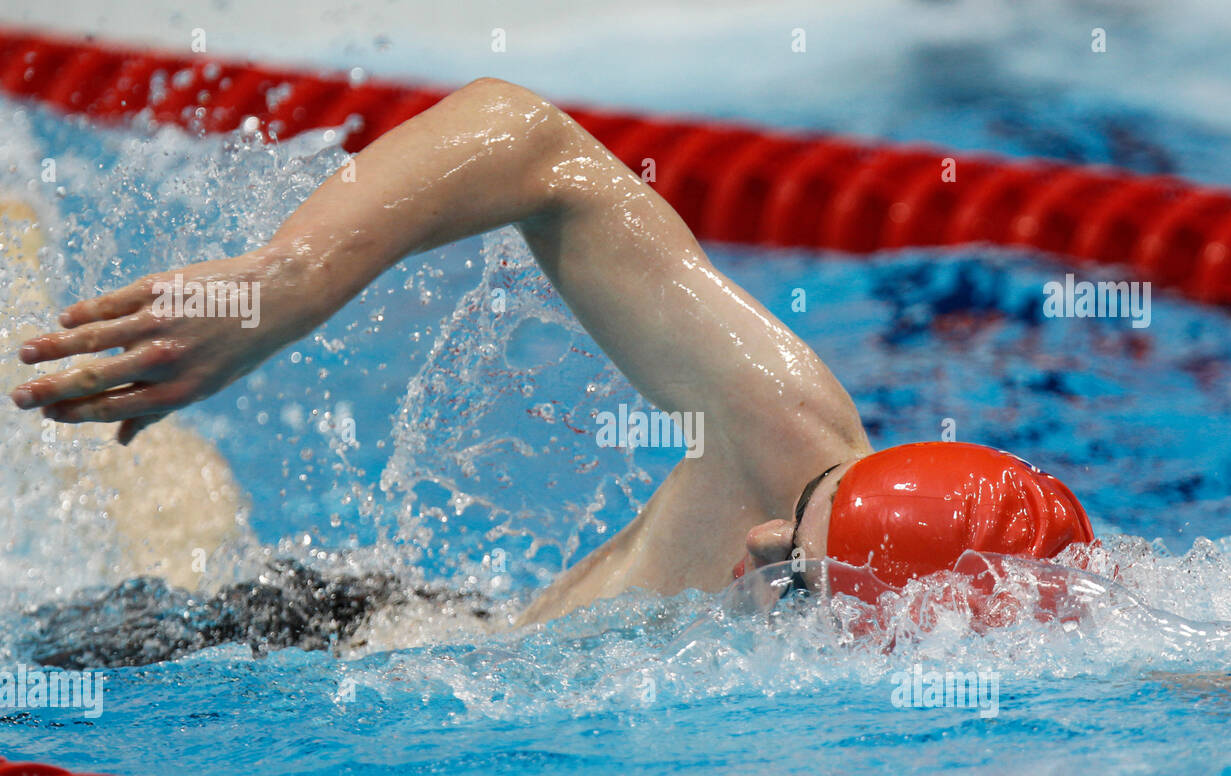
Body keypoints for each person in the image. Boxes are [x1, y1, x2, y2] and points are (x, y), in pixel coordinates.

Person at [9, 78, 1094, 631]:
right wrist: (288, 280)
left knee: (157, 489)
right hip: (301, 639)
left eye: (796, 576)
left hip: (426, 630)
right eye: (803, 507)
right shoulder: (785, 447)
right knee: (69, 425)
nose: (758, 534)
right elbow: (529, 143)